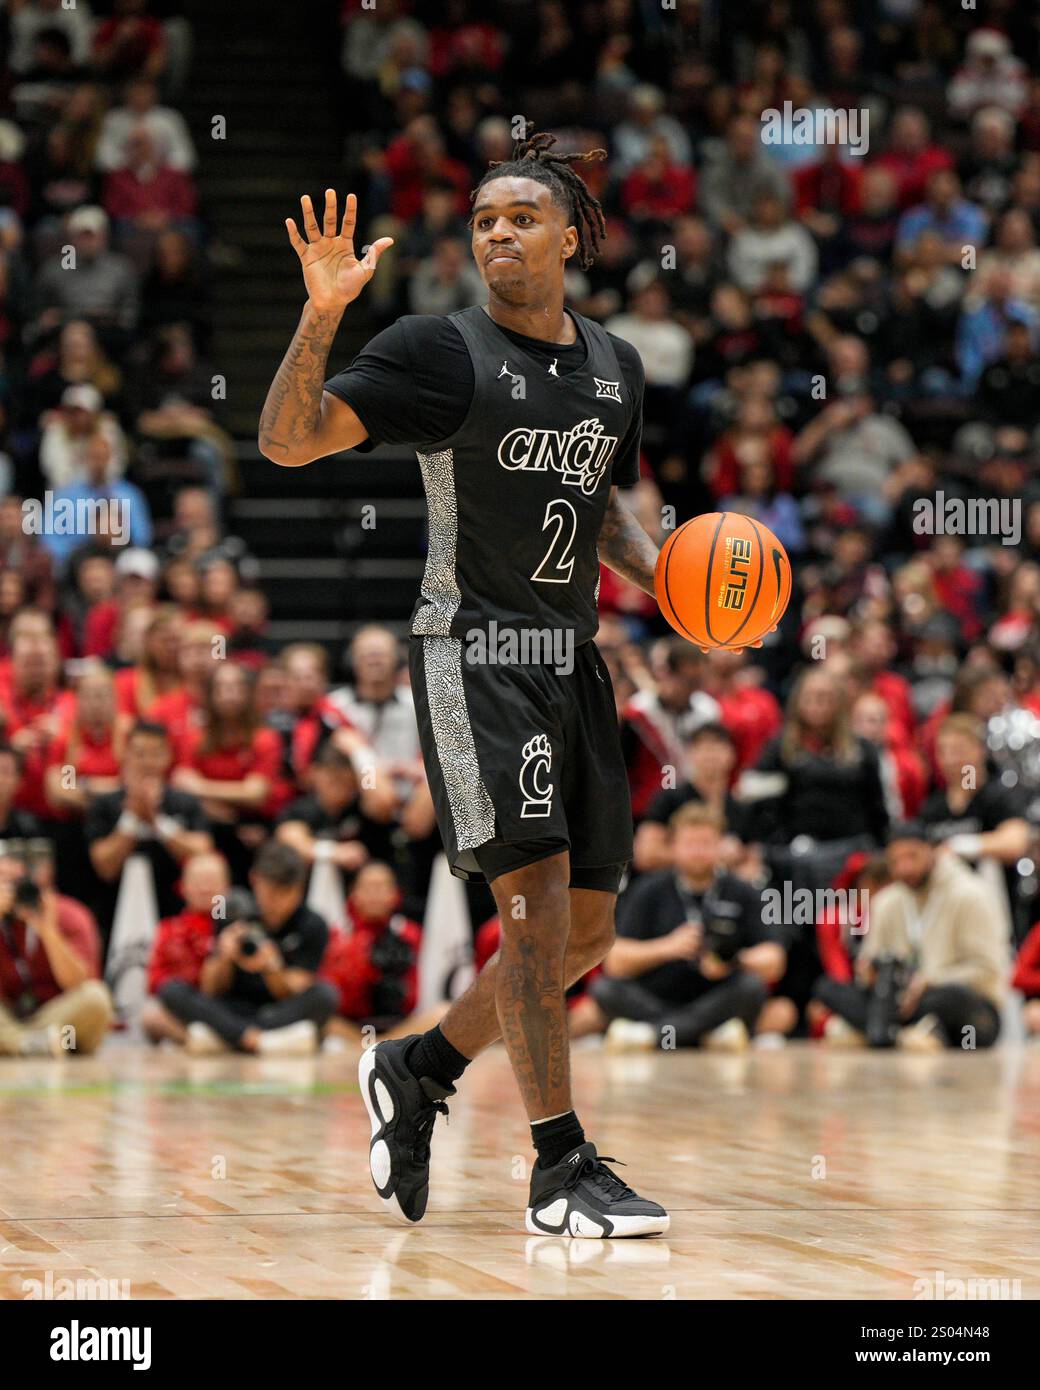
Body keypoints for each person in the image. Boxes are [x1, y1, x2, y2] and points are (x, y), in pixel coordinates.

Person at [258, 122, 679, 1237]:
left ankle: (417, 1066)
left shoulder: (614, 366)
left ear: (568, 239)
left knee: (581, 933)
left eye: (521, 216)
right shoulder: (438, 351)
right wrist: (320, 311)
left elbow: (605, 516)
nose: (497, 232)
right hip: (472, 652)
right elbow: (288, 441)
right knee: (533, 919)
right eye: (484, 218)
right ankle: (557, 1170)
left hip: (573, 661)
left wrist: (673, 583)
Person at [591, 806, 786, 1051]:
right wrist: (668, 948)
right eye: (690, 844)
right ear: (673, 847)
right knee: (605, 989)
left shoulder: (742, 891)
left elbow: (774, 960)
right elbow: (615, 961)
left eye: (706, 843)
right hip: (657, 998)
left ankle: (653, 1035)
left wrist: (732, 960)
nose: (698, 852)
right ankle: (705, 1034)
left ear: (720, 845)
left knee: (751, 987)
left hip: (716, 996)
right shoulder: (649, 890)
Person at [813, 821, 1007, 1051]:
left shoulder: (971, 895)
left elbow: (987, 971)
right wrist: (870, 973)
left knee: (954, 1001)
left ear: (932, 851)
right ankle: (904, 1034)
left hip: (951, 999)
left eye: (912, 856)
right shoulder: (887, 901)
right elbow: (871, 960)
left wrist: (928, 981)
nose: (905, 868)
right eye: (896, 861)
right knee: (827, 988)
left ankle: (878, 1031)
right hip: (900, 1003)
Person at [157, 840, 339, 1056]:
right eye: (270, 892)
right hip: (229, 1007)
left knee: (325, 995)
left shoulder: (313, 924)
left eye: (285, 894)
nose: (276, 903)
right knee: (171, 989)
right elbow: (210, 988)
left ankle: (226, 1038)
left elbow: (294, 991)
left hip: (276, 1011)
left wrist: (272, 969)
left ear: (300, 890)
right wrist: (225, 957)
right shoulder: (229, 908)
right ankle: (257, 1039)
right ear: (255, 880)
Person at [0, 850, 113, 1056]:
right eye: (3, 883)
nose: (12, 892)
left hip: (60, 1021)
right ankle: (31, 1044)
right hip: (10, 1017)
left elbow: (75, 982)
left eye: (16, 883)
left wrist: (48, 929)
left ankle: (30, 1044)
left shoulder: (70, 914)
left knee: (96, 997)